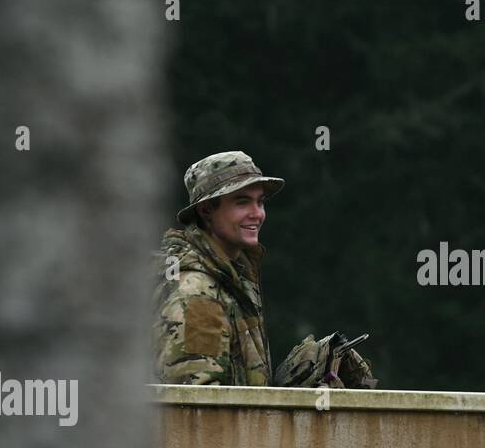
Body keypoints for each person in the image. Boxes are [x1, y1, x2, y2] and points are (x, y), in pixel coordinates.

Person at [152, 150, 377, 388]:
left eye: (260, 202)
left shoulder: (231, 275)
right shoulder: (195, 291)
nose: (257, 214)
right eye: (242, 202)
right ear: (206, 210)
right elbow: (199, 412)